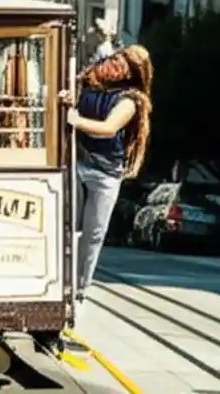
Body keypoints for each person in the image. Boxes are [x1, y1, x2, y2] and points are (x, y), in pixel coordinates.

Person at [59, 43, 153, 301]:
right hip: (79, 163)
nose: (114, 68)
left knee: (94, 231)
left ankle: (79, 287)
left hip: (106, 173)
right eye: (116, 60)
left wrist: (75, 120)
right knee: (67, 223)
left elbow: (109, 128)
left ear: (130, 75)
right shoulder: (88, 82)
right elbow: (72, 99)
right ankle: (60, 278)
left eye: (122, 67)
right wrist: (69, 101)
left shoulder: (131, 101)